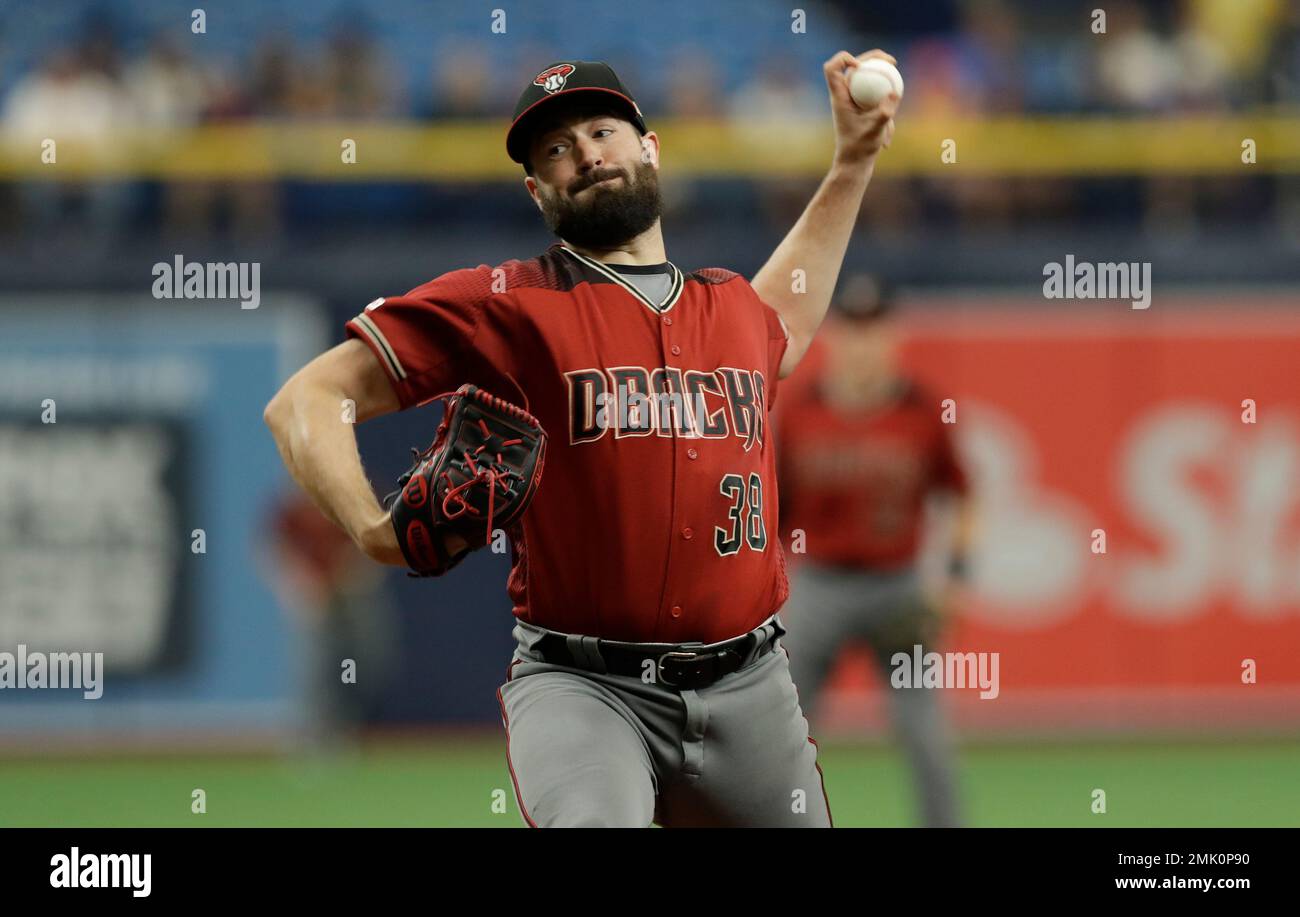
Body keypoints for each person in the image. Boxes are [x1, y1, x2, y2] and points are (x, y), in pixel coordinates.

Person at [263, 55, 900, 827]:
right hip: (586, 687)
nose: (588, 153)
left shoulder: (733, 308)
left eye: (603, 131)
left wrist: (855, 160)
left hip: (751, 686)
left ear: (650, 149)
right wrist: (372, 532)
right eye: (557, 149)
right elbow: (305, 399)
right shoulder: (508, 305)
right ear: (538, 191)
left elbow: (788, 314)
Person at [775, 275, 975, 827]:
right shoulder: (801, 408)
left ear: (894, 336)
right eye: (854, 328)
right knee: (779, 732)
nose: (864, 342)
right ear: (835, 336)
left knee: (926, 736)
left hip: (898, 587)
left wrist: (957, 576)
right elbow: (771, 509)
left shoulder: (922, 409)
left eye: (875, 328)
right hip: (818, 586)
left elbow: (961, 496)